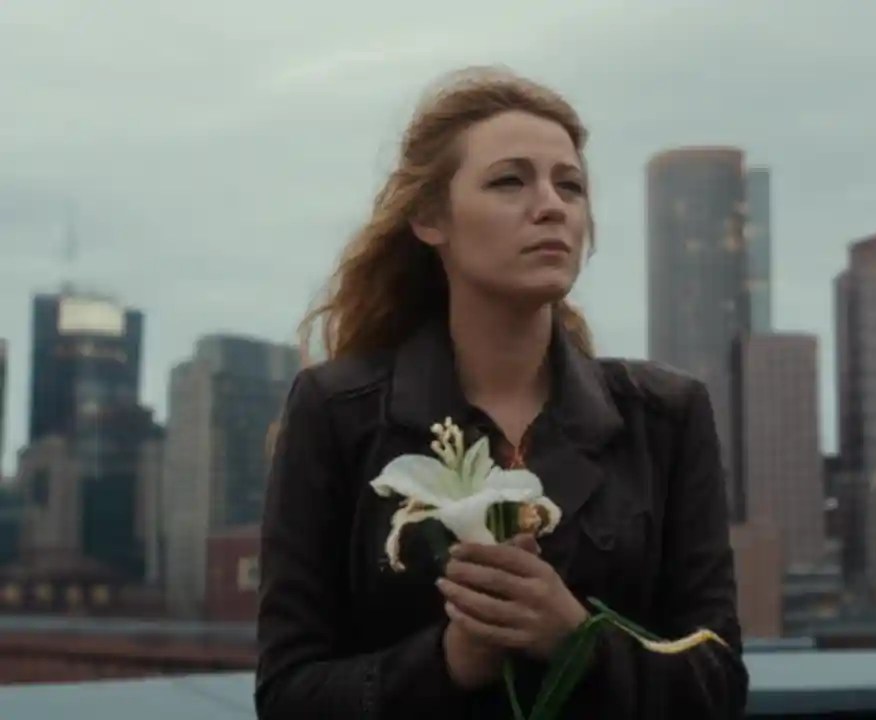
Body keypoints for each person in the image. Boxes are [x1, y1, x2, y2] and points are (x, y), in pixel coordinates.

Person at [254, 67, 748, 719]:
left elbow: (718, 685)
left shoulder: (665, 417)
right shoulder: (337, 412)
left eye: (570, 185)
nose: (551, 206)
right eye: (510, 181)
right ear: (431, 218)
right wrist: (450, 662)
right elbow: (289, 695)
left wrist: (577, 640)